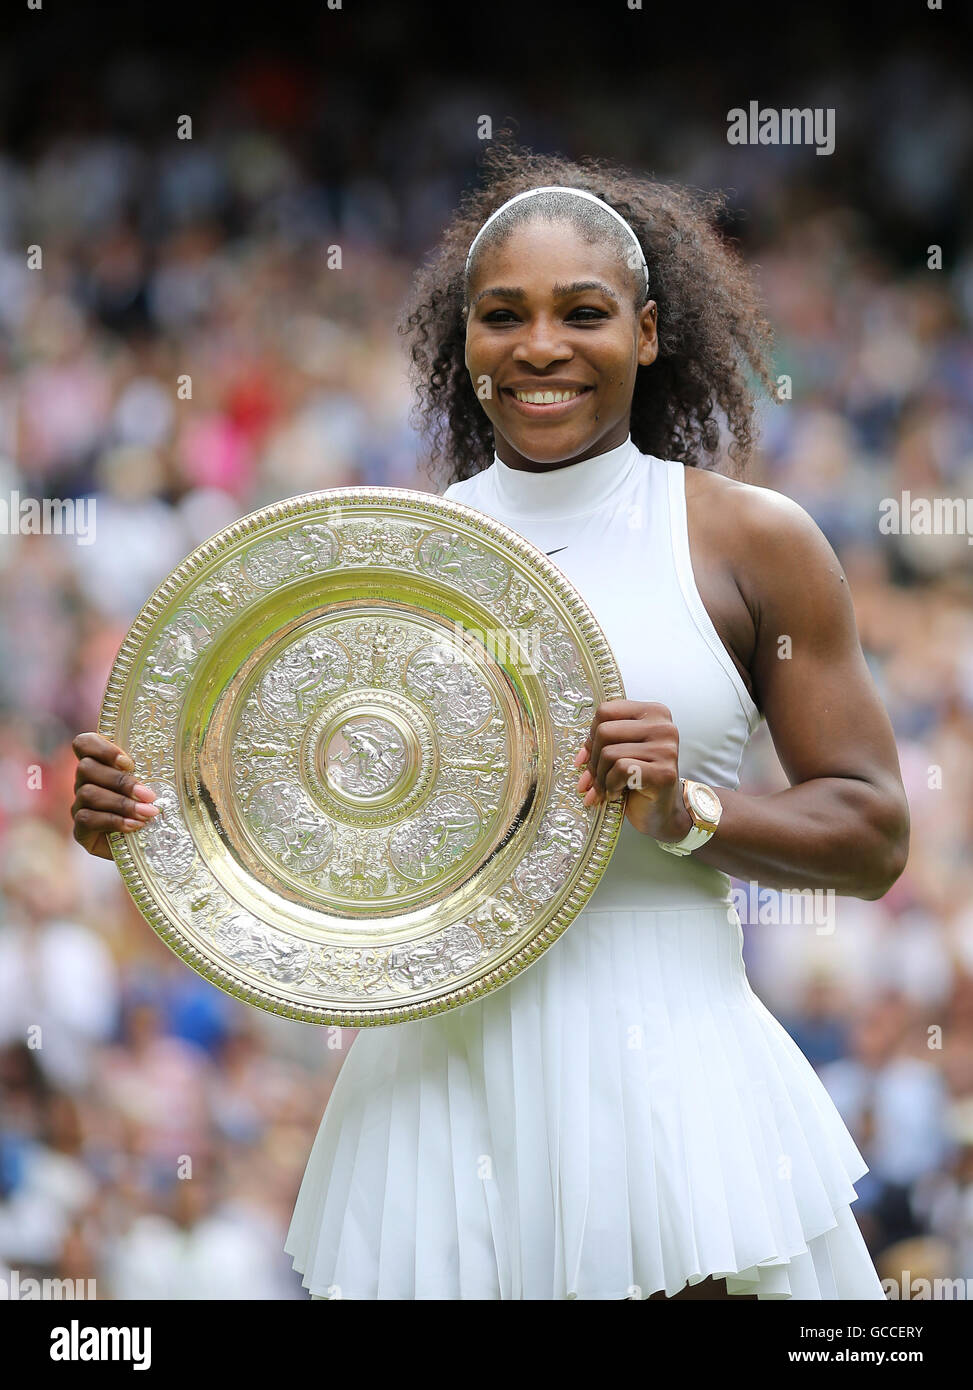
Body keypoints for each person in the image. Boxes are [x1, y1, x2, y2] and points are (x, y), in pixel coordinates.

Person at [71, 141, 910, 1300]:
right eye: (501, 315)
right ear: (461, 343)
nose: (540, 347)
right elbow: (297, 824)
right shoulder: (389, 562)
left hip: (664, 1076)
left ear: (650, 332)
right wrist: (149, 821)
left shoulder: (750, 542)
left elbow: (871, 834)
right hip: (433, 1091)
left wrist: (685, 809)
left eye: (583, 311)